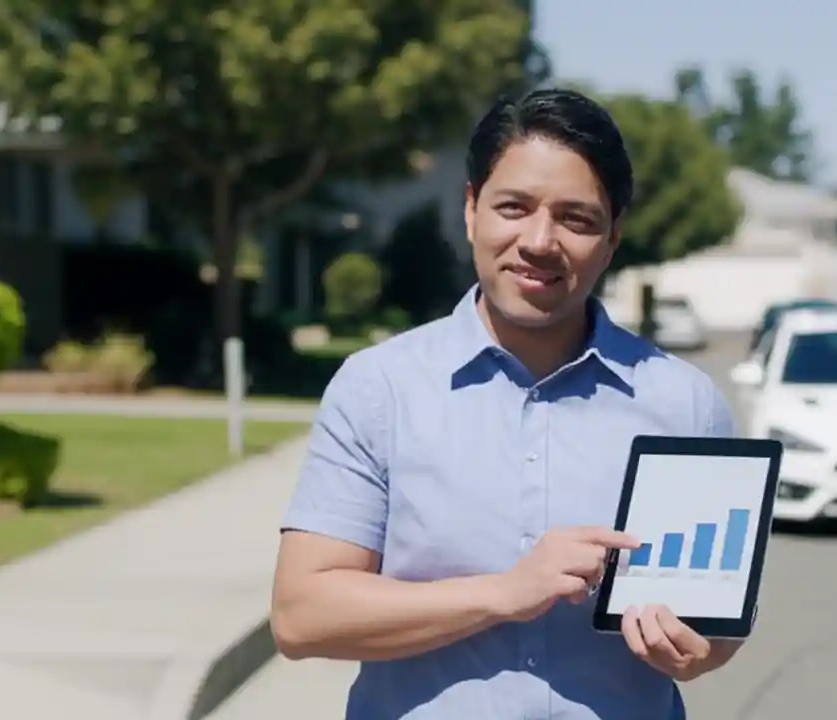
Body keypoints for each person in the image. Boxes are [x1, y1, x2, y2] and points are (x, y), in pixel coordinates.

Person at [271, 88, 744, 719]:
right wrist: (504, 593)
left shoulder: (686, 404)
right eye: (513, 207)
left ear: (613, 236)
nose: (540, 241)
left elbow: (718, 623)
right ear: (471, 210)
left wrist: (699, 648)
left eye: (577, 218)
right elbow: (303, 616)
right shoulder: (378, 390)